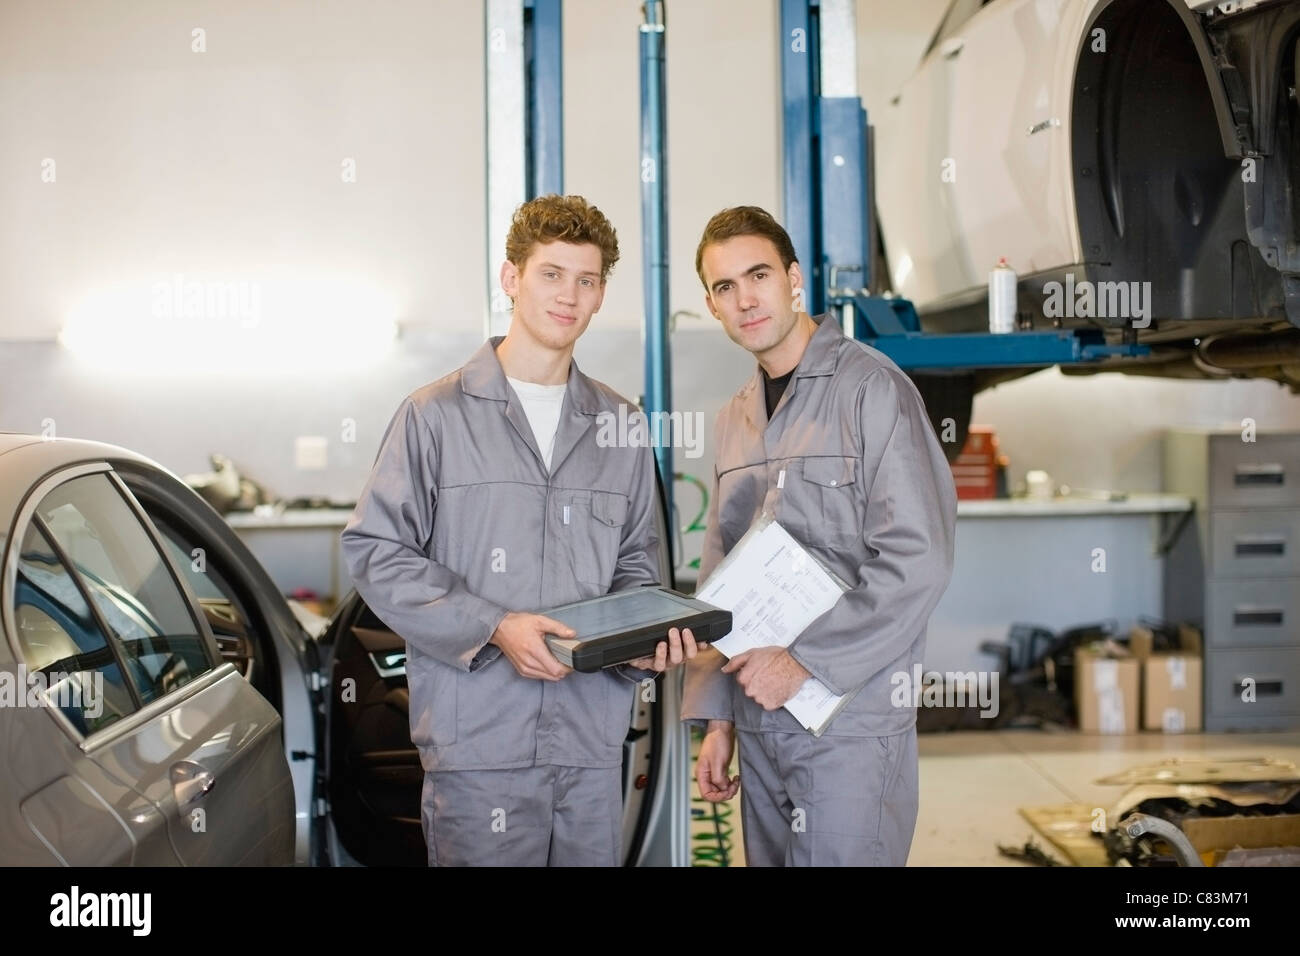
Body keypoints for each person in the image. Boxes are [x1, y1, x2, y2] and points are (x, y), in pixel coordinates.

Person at [342, 194, 698, 867]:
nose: (569, 295)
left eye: (587, 280)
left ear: (599, 297)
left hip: (590, 745)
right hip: (478, 747)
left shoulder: (619, 427)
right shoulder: (434, 417)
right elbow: (376, 550)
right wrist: (494, 625)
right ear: (512, 278)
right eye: (552, 273)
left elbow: (638, 571)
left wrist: (642, 645)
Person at [681, 205, 957, 866]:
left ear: (793, 277)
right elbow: (721, 572)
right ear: (712, 305)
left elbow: (919, 557)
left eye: (758, 275)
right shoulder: (734, 418)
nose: (745, 298)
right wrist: (718, 717)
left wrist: (807, 663)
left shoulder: (872, 390)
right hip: (758, 712)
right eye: (724, 287)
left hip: (851, 719)